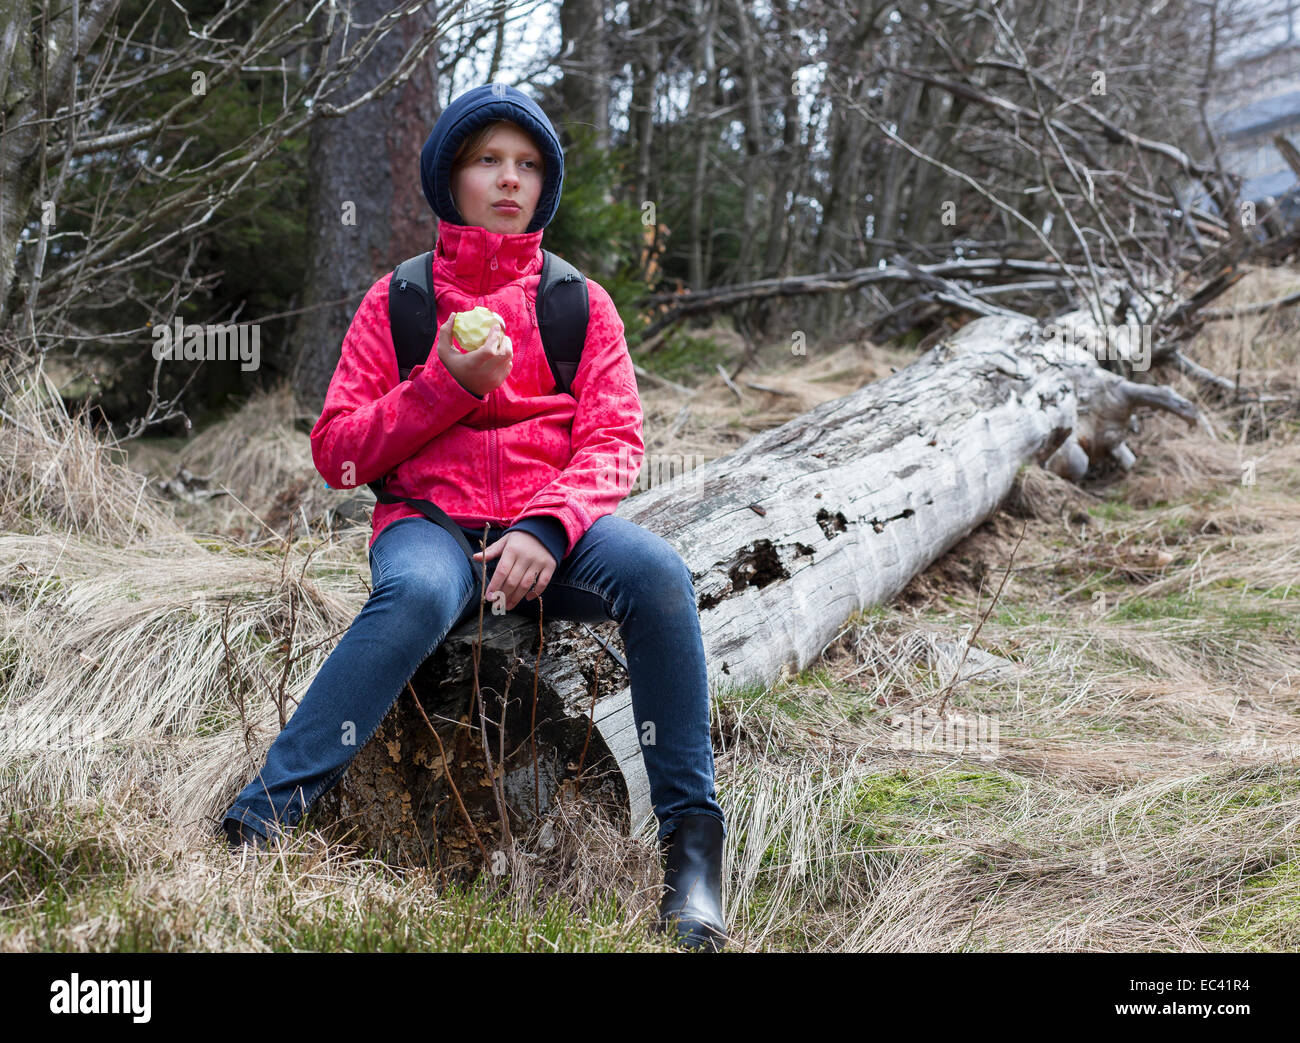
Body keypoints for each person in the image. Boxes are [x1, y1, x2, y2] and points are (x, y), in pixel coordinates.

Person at [216, 83, 728, 951]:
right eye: (487, 160)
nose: (508, 179)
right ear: (450, 177)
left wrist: (549, 525)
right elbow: (339, 452)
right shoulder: (399, 302)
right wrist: (447, 388)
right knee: (416, 595)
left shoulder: (579, 303)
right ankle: (260, 819)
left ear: (545, 185)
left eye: (527, 165)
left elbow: (614, 441)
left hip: (550, 529)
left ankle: (692, 855)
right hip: (430, 524)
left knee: (659, 575)